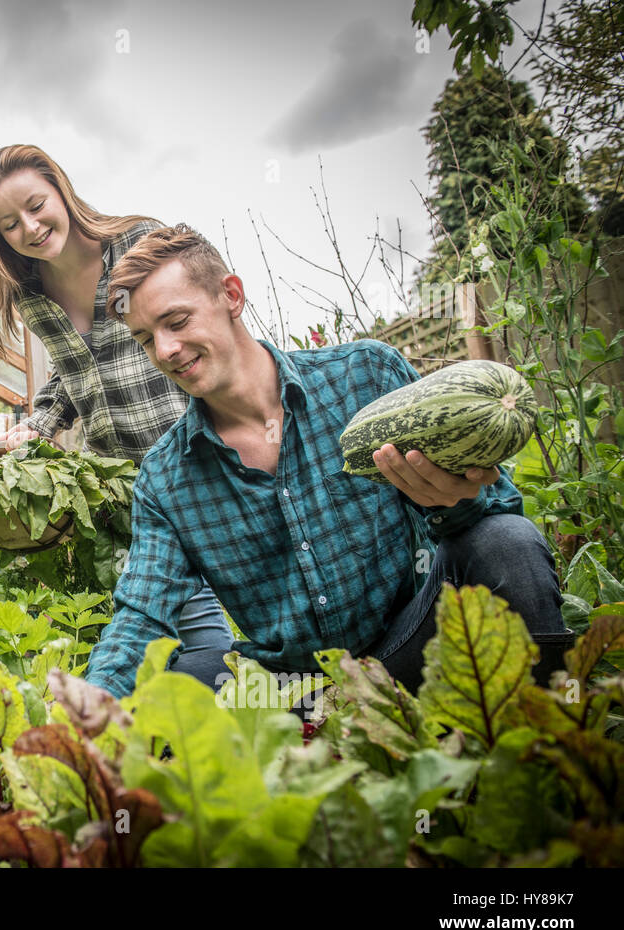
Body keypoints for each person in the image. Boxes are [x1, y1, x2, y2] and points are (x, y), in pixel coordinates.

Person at [84, 224, 575, 700]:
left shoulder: (366, 378)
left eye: (176, 321)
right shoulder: (167, 477)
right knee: (191, 717)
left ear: (231, 295)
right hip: (293, 690)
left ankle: (544, 744)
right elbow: (143, 614)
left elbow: (498, 505)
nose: (165, 350)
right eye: (146, 339)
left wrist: (457, 503)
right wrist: (90, 703)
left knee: (505, 540)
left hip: (415, 643)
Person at [0, 144, 232, 656]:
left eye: (35, 205)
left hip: (190, 455)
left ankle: (247, 698)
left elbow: (202, 325)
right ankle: (187, 707)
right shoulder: (30, 293)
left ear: (61, 192)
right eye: (9, 224)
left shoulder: (138, 245)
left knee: (210, 606)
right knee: (160, 619)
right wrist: (36, 426)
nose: (30, 227)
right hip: (119, 483)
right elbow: (77, 369)